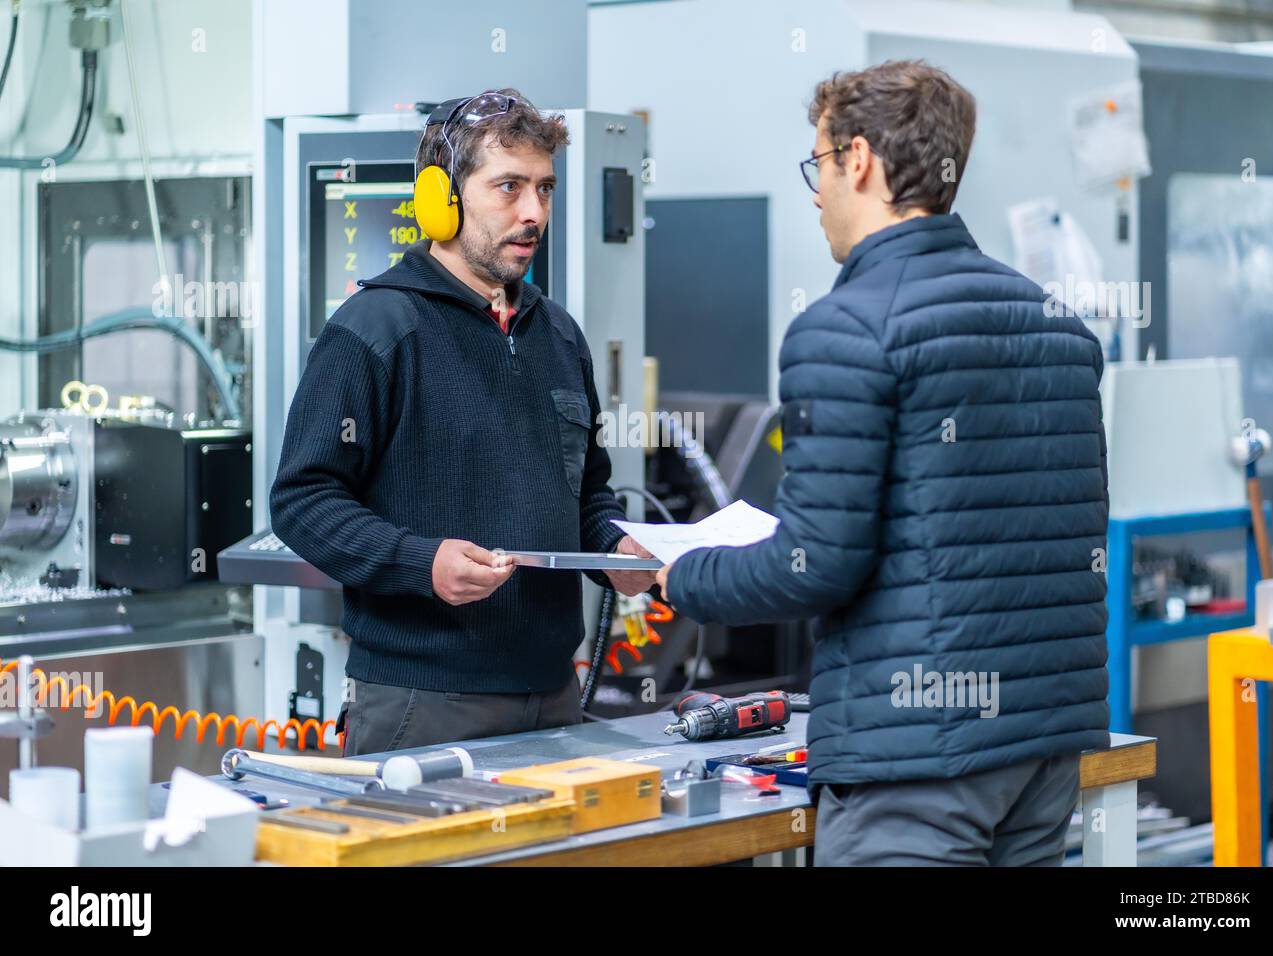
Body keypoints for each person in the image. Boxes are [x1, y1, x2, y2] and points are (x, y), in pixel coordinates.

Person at [656, 61, 1110, 866]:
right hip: (1044, 752)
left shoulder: (845, 329)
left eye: (819, 163)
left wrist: (682, 574)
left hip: (915, 767)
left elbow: (815, 566)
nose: (815, 190)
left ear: (857, 160)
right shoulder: (1058, 330)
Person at [271, 89, 656, 757]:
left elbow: (587, 496)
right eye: (508, 187)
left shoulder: (559, 336)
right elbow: (302, 501)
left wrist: (614, 554)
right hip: (424, 706)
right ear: (440, 200)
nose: (533, 212)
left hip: (554, 698)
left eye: (544, 188)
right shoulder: (374, 332)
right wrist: (422, 564)